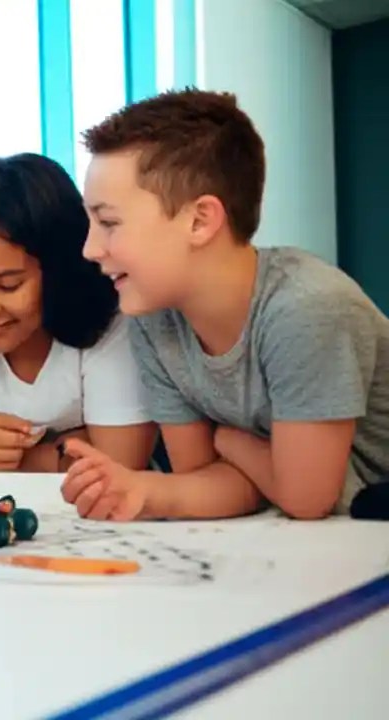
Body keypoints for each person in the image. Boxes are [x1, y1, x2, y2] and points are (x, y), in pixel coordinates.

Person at [62, 88, 389, 521]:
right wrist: (144, 490)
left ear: (200, 221)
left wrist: (229, 442)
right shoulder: (153, 320)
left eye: (108, 223)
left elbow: (307, 499)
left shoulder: (307, 308)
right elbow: (204, 478)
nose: (89, 248)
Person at [0, 153, 155, 476]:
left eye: (9, 285)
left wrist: (18, 459)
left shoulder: (112, 318)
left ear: (60, 270)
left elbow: (119, 464)